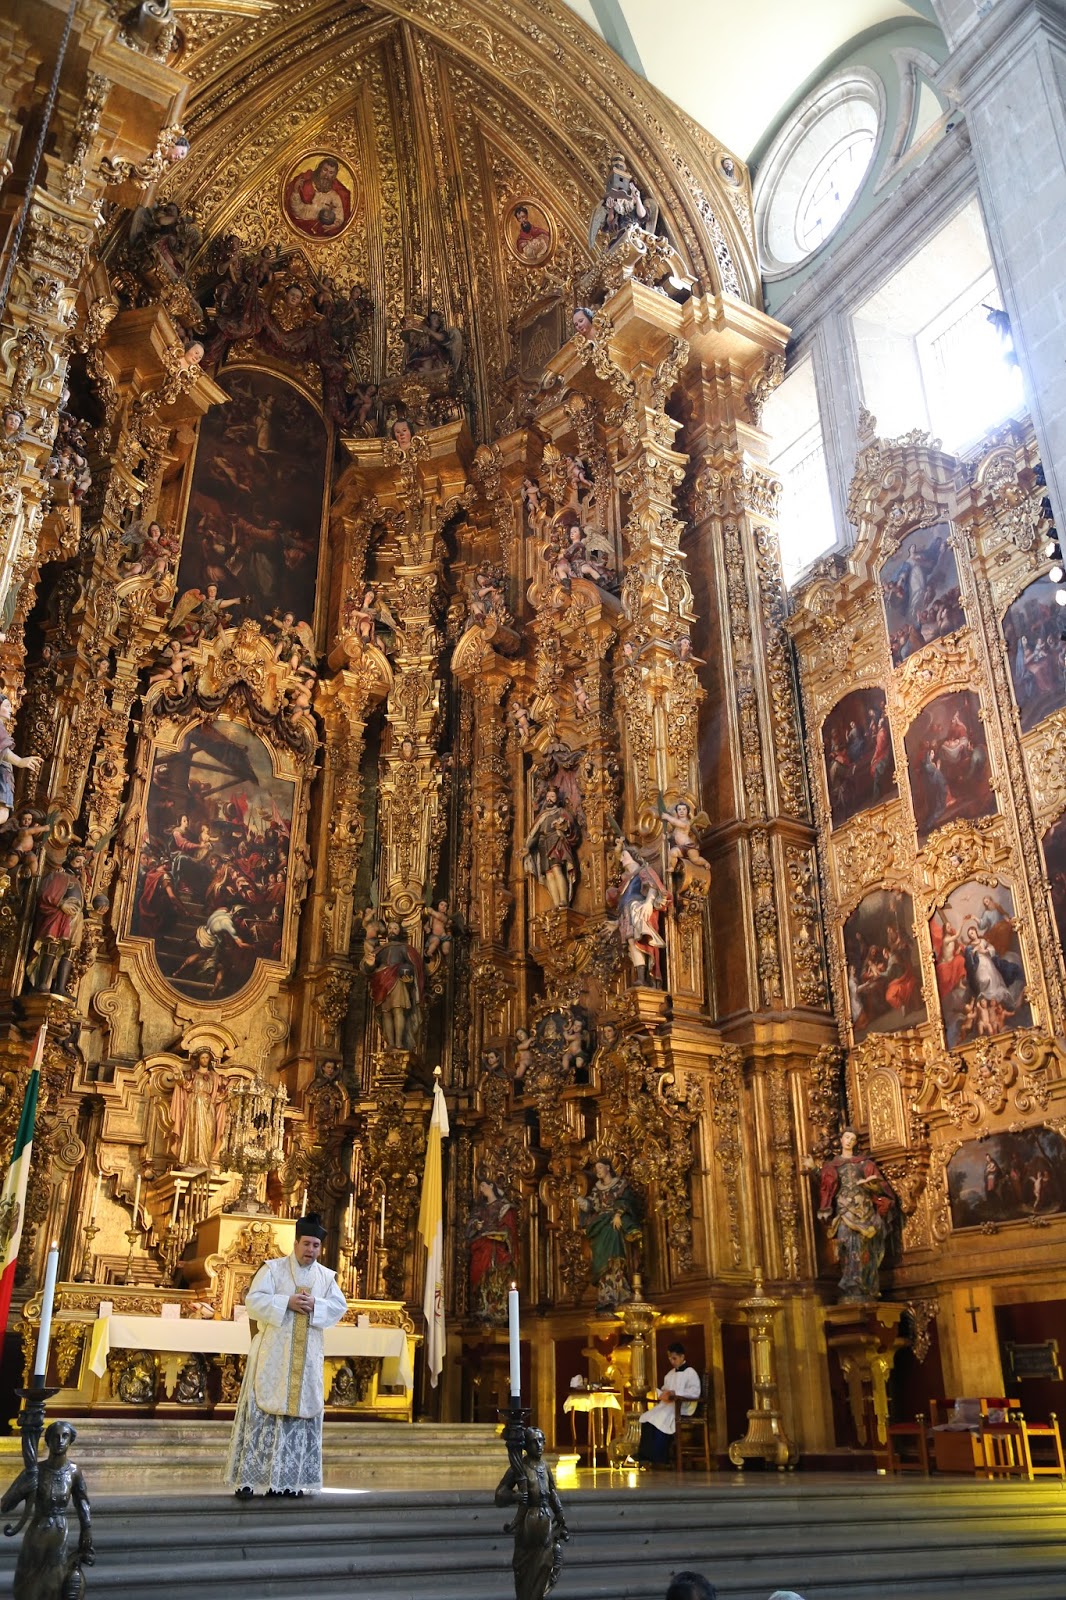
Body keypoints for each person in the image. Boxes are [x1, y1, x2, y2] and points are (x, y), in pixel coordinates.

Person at [224, 1212, 347, 1497]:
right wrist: (286, 1302)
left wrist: (315, 1304)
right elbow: (253, 1302)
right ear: (296, 1243)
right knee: (263, 1414)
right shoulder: (273, 1269)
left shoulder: (326, 1277)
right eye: (306, 1244)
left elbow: (339, 1307)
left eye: (316, 1246)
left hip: (306, 1360)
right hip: (273, 1357)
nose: (311, 1251)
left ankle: (288, 1482)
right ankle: (248, 1481)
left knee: (298, 1417)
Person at [817, 1130, 896, 1302]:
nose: (849, 1141)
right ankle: (849, 1284)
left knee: (864, 1249)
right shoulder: (833, 1165)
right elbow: (826, 1185)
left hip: (864, 1212)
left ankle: (864, 1285)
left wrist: (873, 1187)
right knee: (845, 1246)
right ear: (841, 1139)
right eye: (846, 1137)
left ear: (855, 1143)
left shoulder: (864, 1163)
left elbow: (881, 1186)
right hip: (845, 1212)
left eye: (852, 1139)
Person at [636, 1342, 701, 1466]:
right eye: (670, 1358)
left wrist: (675, 1393)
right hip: (668, 1405)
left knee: (660, 1419)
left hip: (683, 1407)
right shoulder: (670, 1374)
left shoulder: (690, 1372)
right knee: (647, 1417)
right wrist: (663, 1394)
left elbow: (694, 1392)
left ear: (682, 1357)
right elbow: (665, 1388)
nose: (672, 1361)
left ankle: (659, 1458)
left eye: (674, 1358)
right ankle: (645, 1456)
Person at [285, 156, 351, 237]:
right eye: (325, 170)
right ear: (319, 169)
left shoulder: (334, 196)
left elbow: (339, 217)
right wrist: (295, 191)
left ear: (334, 176)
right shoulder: (306, 185)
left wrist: (333, 226)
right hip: (298, 227)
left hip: (320, 232)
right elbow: (297, 210)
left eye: (331, 173)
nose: (326, 175)